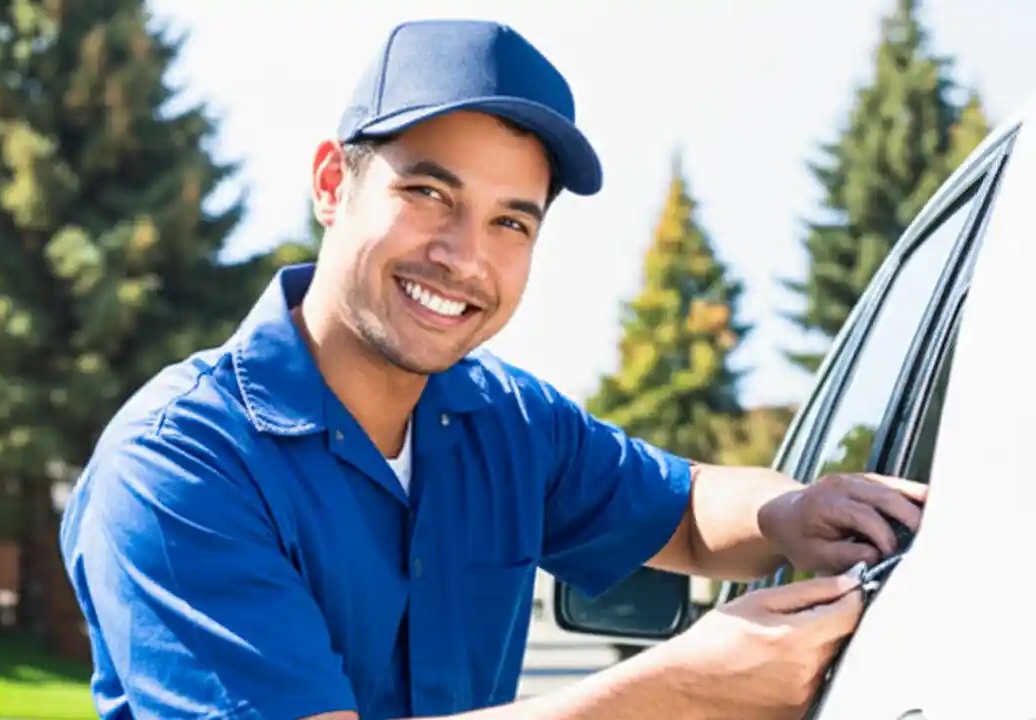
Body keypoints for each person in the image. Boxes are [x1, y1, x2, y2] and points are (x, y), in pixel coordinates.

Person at [58, 18, 928, 720]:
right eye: (429, 194)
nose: (463, 258)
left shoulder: (508, 423)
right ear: (332, 184)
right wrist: (674, 691)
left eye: (512, 223)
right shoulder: (177, 464)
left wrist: (791, 510)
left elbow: (691, 518)